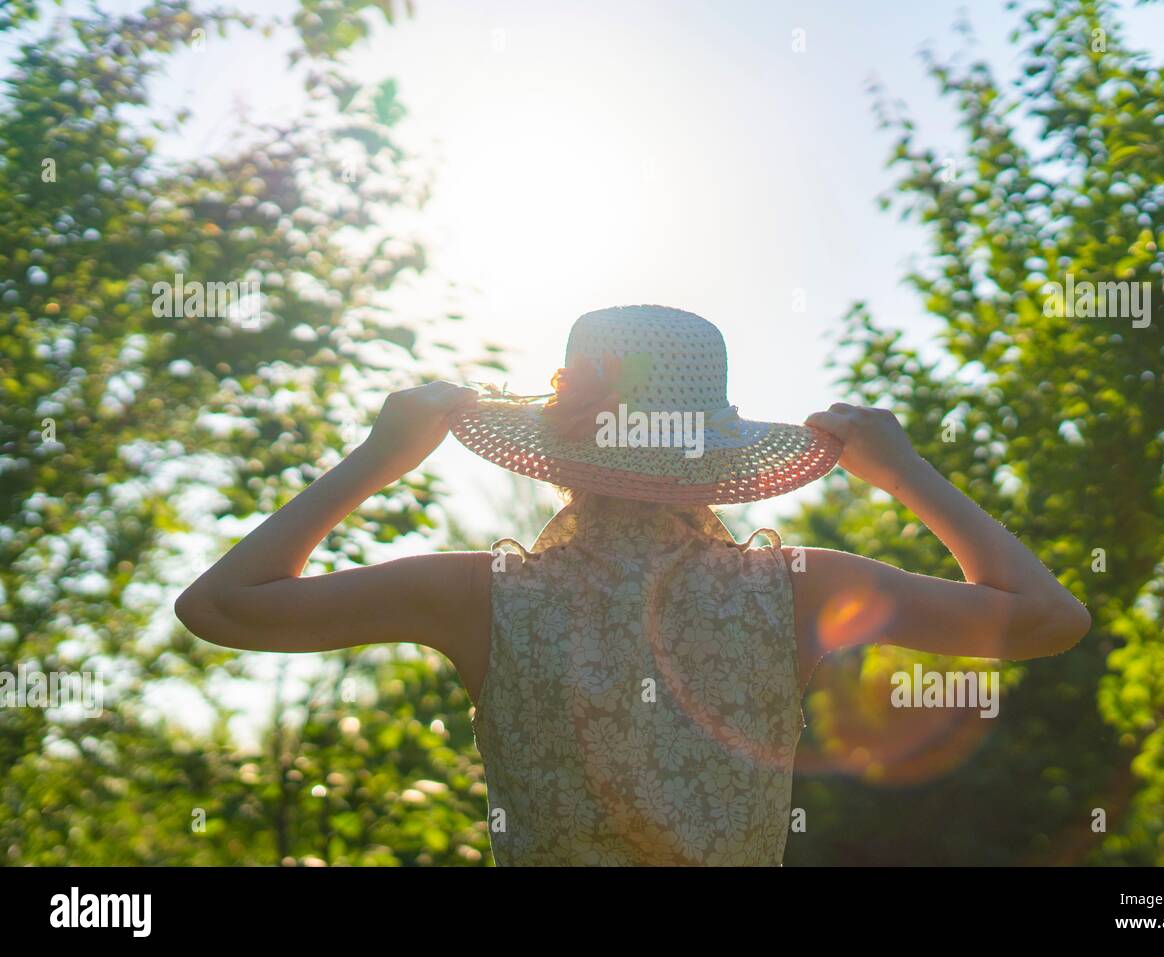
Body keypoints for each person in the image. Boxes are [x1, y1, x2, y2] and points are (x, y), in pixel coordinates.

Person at [176, 304, 1091, 865]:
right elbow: (1047, 617)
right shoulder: (797, 591)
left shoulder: (481, 595)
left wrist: (380, 458)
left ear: (565, 449)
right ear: (716, 453)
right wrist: (907, 473)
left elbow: (218, 606)